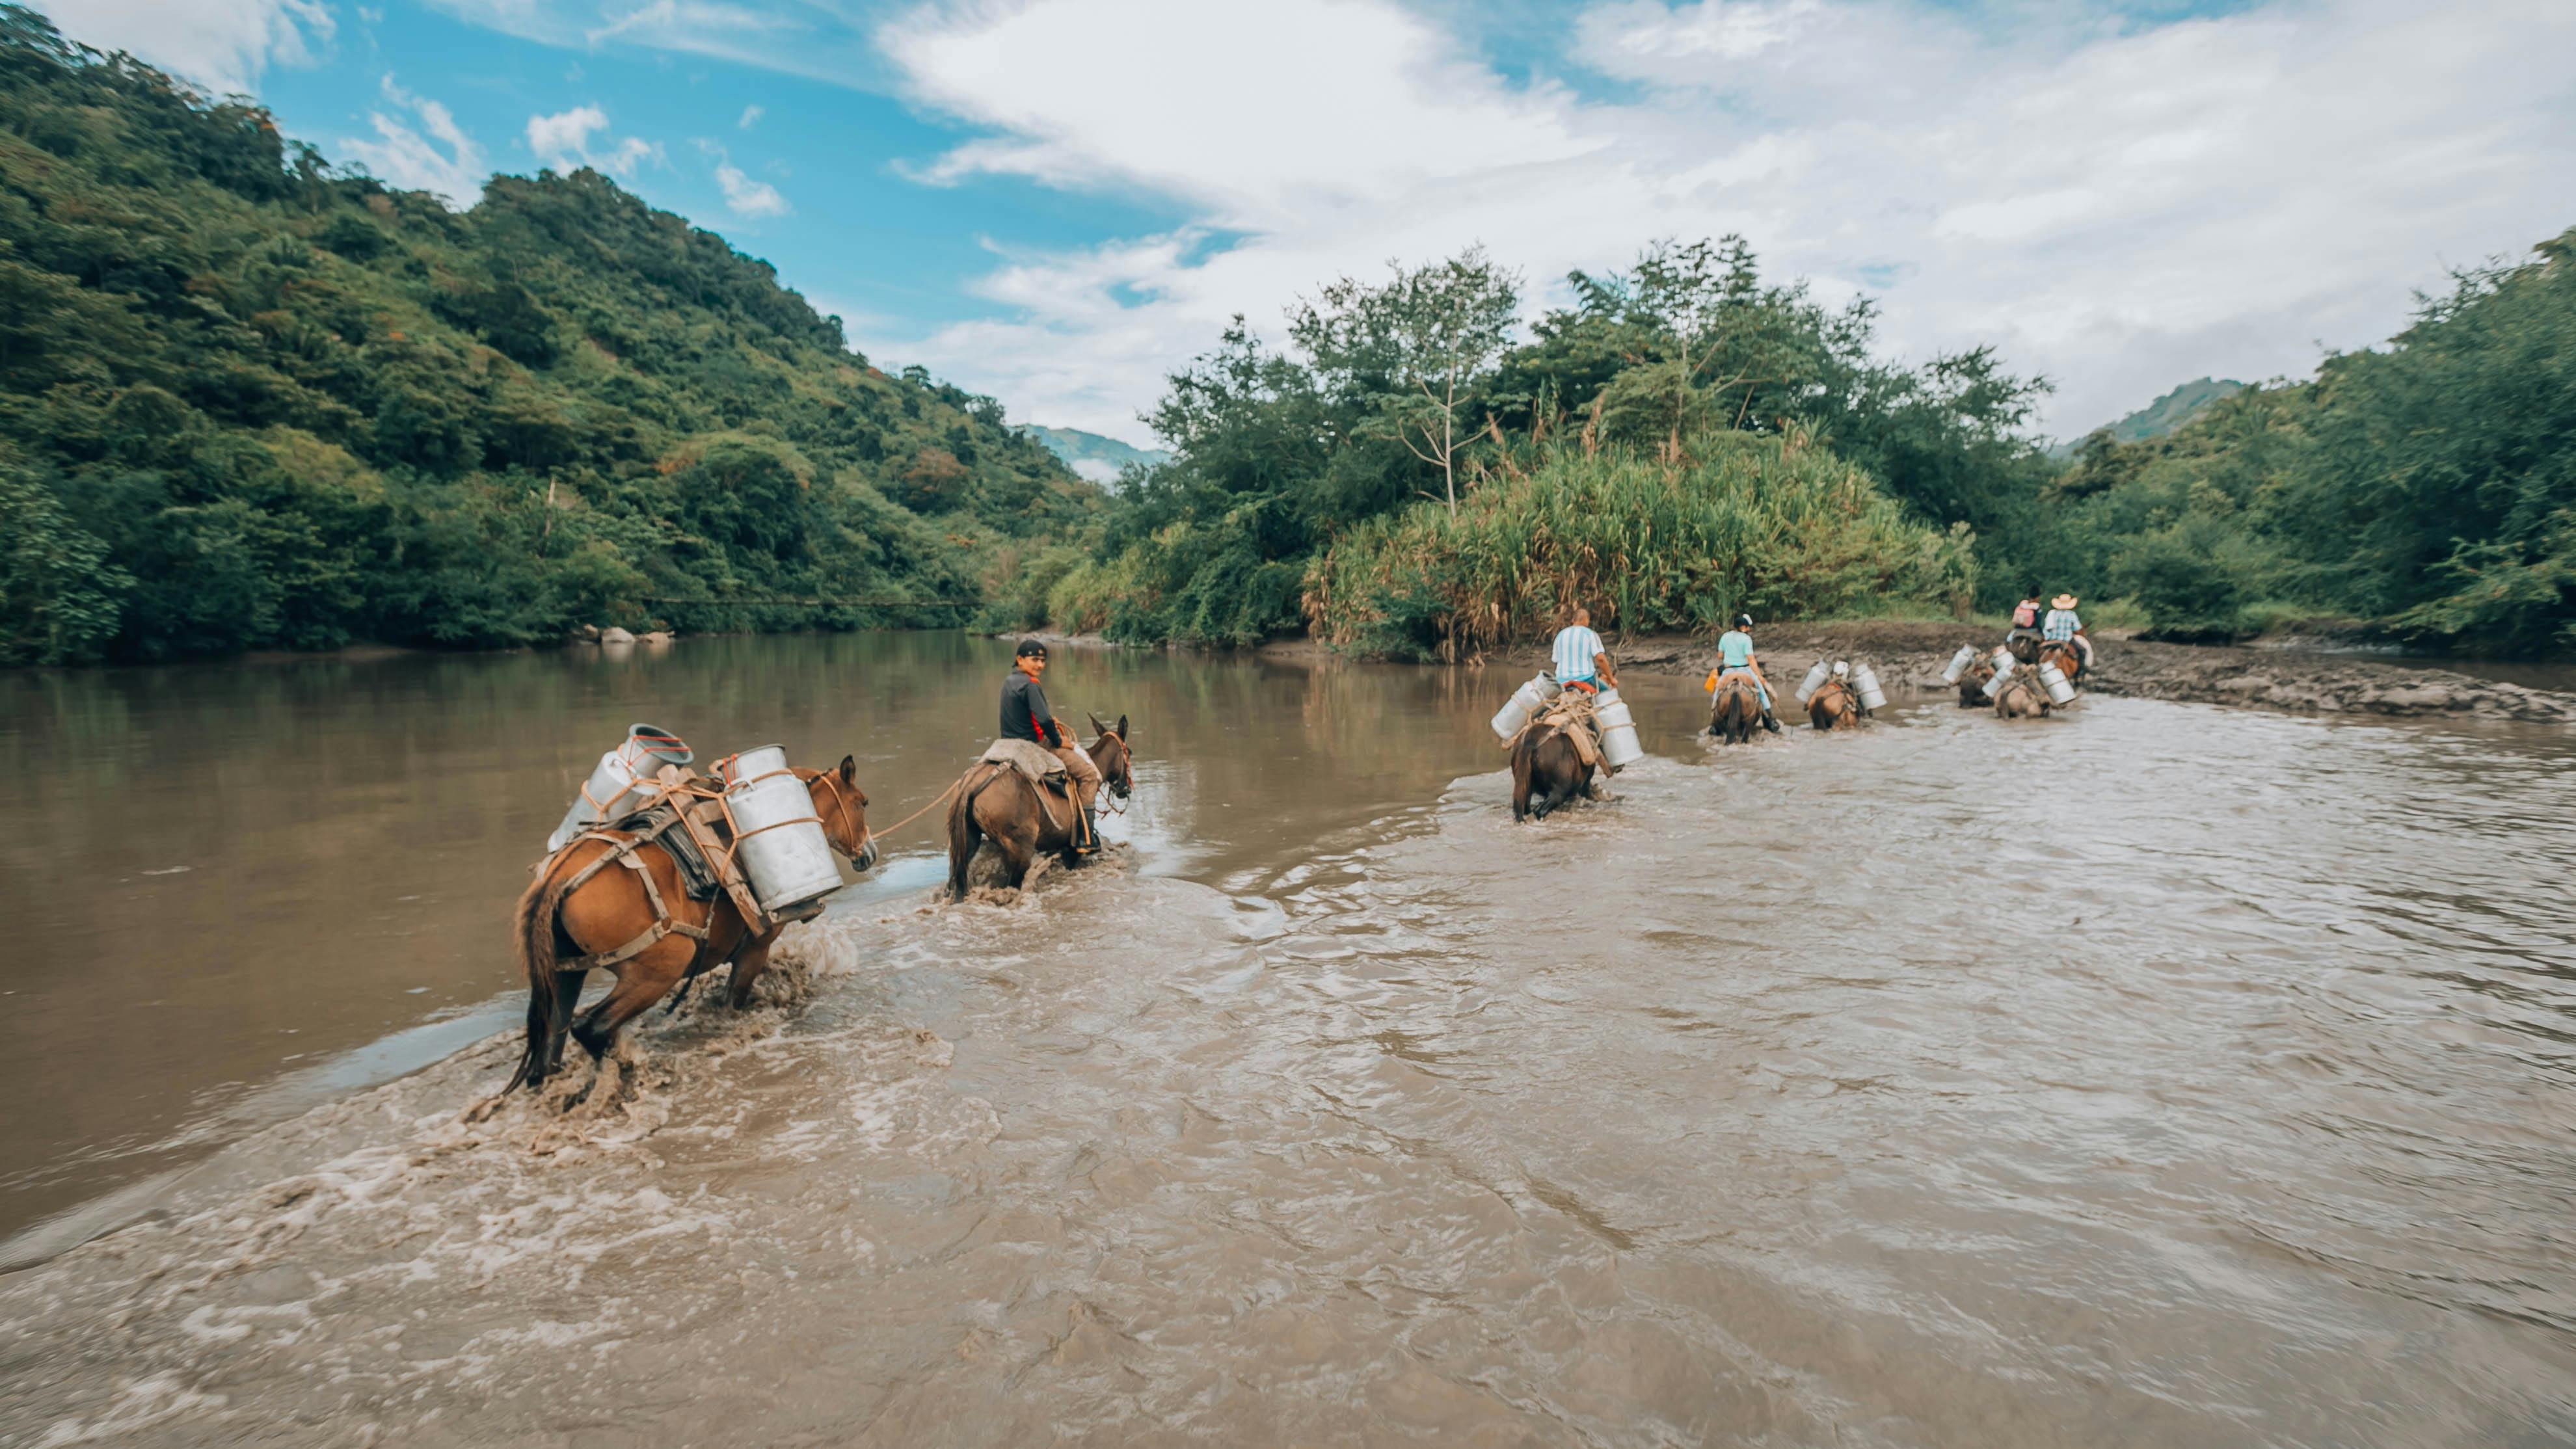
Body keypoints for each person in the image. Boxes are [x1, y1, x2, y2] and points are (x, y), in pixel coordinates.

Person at [1000, 639, 1101, 853]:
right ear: (1020, 659)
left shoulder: (1010, 681)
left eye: (1043, 661)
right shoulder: (1031, 684)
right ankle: (1086, 837)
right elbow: (1044, 720)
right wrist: (1057, 740)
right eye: (1034, 659)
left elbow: (1028, 716)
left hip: (1010, 743)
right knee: (1089, 775)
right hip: (1034, 745)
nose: (1040, 665)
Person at [1703, 613, 1783, 734]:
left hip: (1728, 671)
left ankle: (1714, 723)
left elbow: (1720, 656)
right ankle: (1771, 720)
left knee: (1718, 691)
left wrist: (1730, 655)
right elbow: (1751, 660)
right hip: (1745, 670)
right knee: (1761, 691)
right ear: (1742, 627)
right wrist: (1759, 676)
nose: (1748, 629)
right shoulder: (1746, 639)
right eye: (1747, 627)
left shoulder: (1725, 636)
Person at [1550, 604, 1619, 696]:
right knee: (1609, 694)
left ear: (1573, 620)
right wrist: (1611, 679)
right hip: (1585, 680)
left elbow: (1556, 660)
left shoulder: (1560, 635)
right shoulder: (1590, 634)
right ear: (1587, 620)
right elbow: (1600, 659)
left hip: (1561, 681)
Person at [2043, 592, 2093, 674]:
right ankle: (2081, 671)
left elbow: (2048, 628)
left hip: (2053, 640)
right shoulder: (2072, 615)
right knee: (2082, 651)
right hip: (2067, 640)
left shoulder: (2053, 613)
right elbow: (2078, 628)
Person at [2006, 584, 2045, 658]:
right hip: (2032, 630)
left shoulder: (2022, 604)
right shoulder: (2037, 607)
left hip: (2017, 630)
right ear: (2038, 597)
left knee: (2008, 640)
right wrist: (2042, 633)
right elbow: (2038, 623)